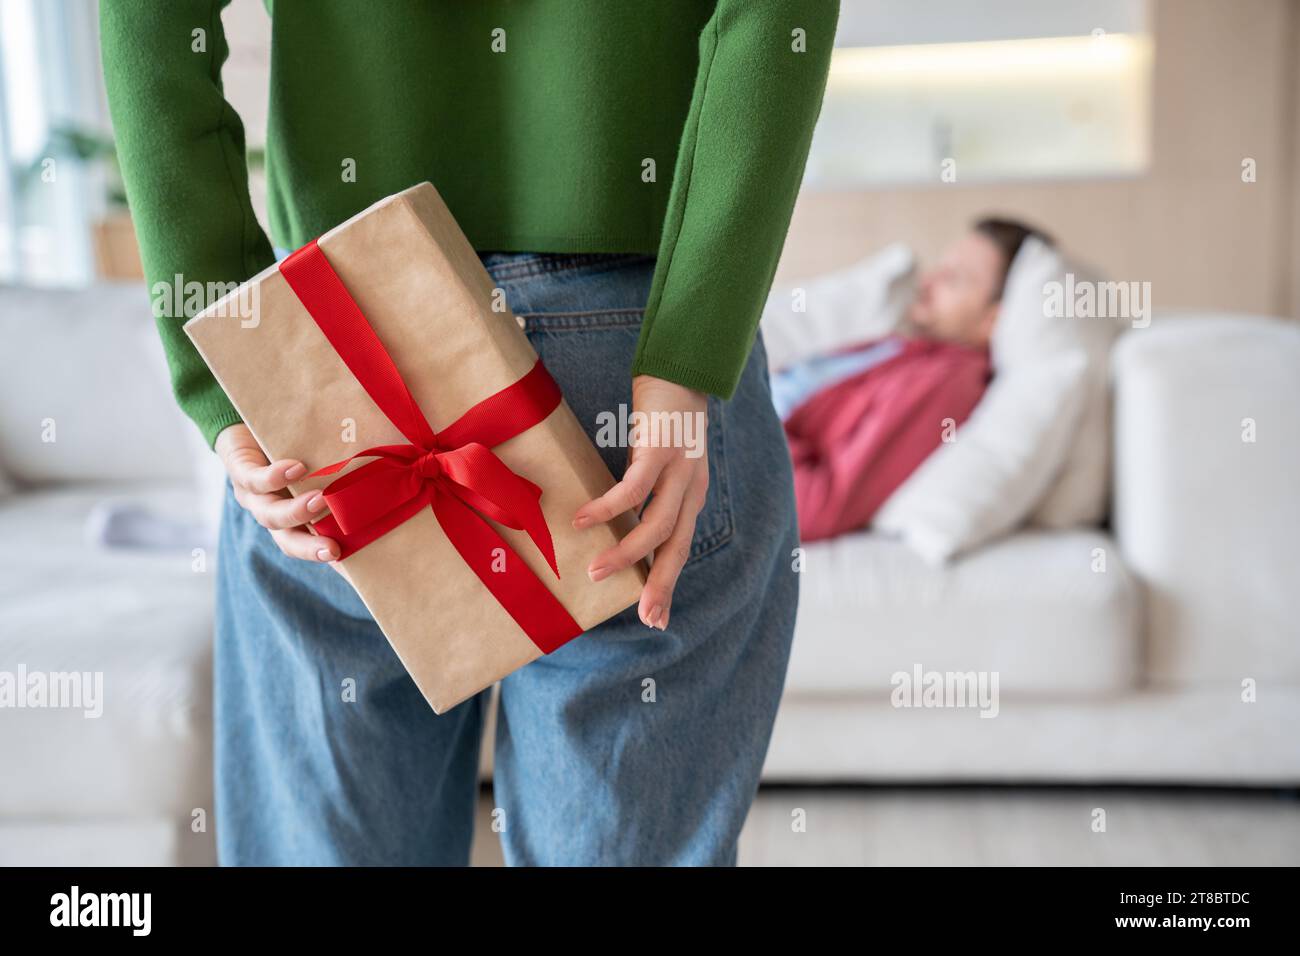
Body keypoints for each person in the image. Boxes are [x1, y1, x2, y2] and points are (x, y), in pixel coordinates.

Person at [101, 1, 838, 866]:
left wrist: (229, 361)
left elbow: (145, 19)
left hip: (340, 354)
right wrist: (687, 349)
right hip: (636, 347)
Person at [777, 218, 1053, 541]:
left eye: (954, 278)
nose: (928, 281)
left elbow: (816, 508)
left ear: (992, 320)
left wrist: (752, 418)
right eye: (940, 267)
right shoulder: (903, 349)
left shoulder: (948, 381)